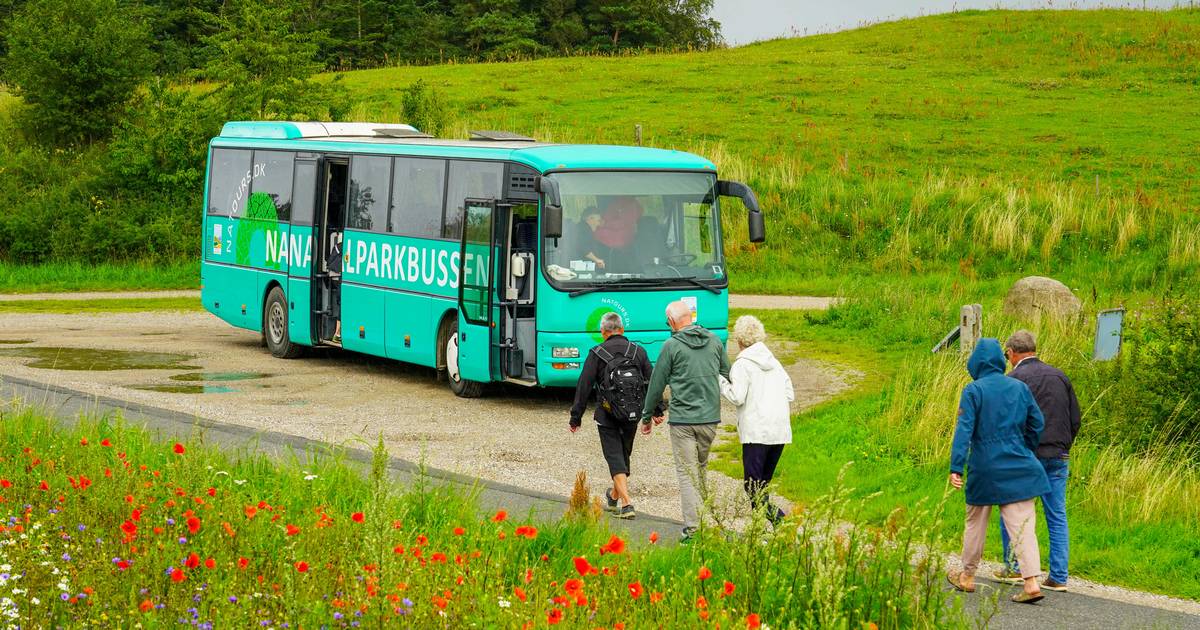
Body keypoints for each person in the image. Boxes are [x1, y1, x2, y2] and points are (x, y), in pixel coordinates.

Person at [947, 338, 1049, 604]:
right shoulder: (1020, 387)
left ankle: (967, 576)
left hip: (984, 467)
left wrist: (956, 466)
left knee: (975, 523)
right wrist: (1024, 448)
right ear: (1001, 360)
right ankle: (1031, 583)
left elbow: (964, 430)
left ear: (976, 363)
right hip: (1019, 463)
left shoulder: (973, 390)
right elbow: (1037, 423)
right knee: (1023, 526)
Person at [993, 330, 1082, 592]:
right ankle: (1058, 575)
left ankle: (1014, 567)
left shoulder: (1014, 379)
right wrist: (1064, 445)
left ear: (1011, 352)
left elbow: (1007, 421)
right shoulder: (1060, 376)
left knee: (1013, 512)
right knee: (1057, 514)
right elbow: (1075, 418)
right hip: (1058, 454)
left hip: (1026, 456)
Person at [641, 300, 731, 542]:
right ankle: (703, 519)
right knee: (700, 469)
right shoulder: (714, 340)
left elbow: (656, 383)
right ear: (690, 316)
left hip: (683, 420)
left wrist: (647, 416)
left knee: (686, 473)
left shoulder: (671, 346)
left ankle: (693, 529)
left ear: (671, 321)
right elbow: (726, 373)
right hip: (710, 419)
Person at [569, 312, 662, 519]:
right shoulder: (638, 351)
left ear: (603, 332)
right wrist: (657, 409)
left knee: (615, 457)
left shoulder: (597, 353)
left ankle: (627, 504)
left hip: (607, 415)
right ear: (622, 329)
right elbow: (651, 381)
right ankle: (613, 496)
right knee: (623, 456)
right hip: (632, 414)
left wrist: (576, 417)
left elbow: (583, 386)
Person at [719, 315, 794, 524]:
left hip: (756, 432)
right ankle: (760, 530)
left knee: (752, 486)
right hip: (779, 430)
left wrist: (721, 382)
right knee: (762, 485)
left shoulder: (742, 365)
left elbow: (737, 396)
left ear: (739, 340)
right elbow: (790, 393)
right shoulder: (775, 363)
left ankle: (780, 520)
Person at [326, 231, 343, 344]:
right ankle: (337, 333)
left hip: (337, 277)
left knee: (341, 303)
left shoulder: (340, 246)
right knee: (342, 303)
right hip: (339, 278)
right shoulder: (344, 246)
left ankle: (338, 333)